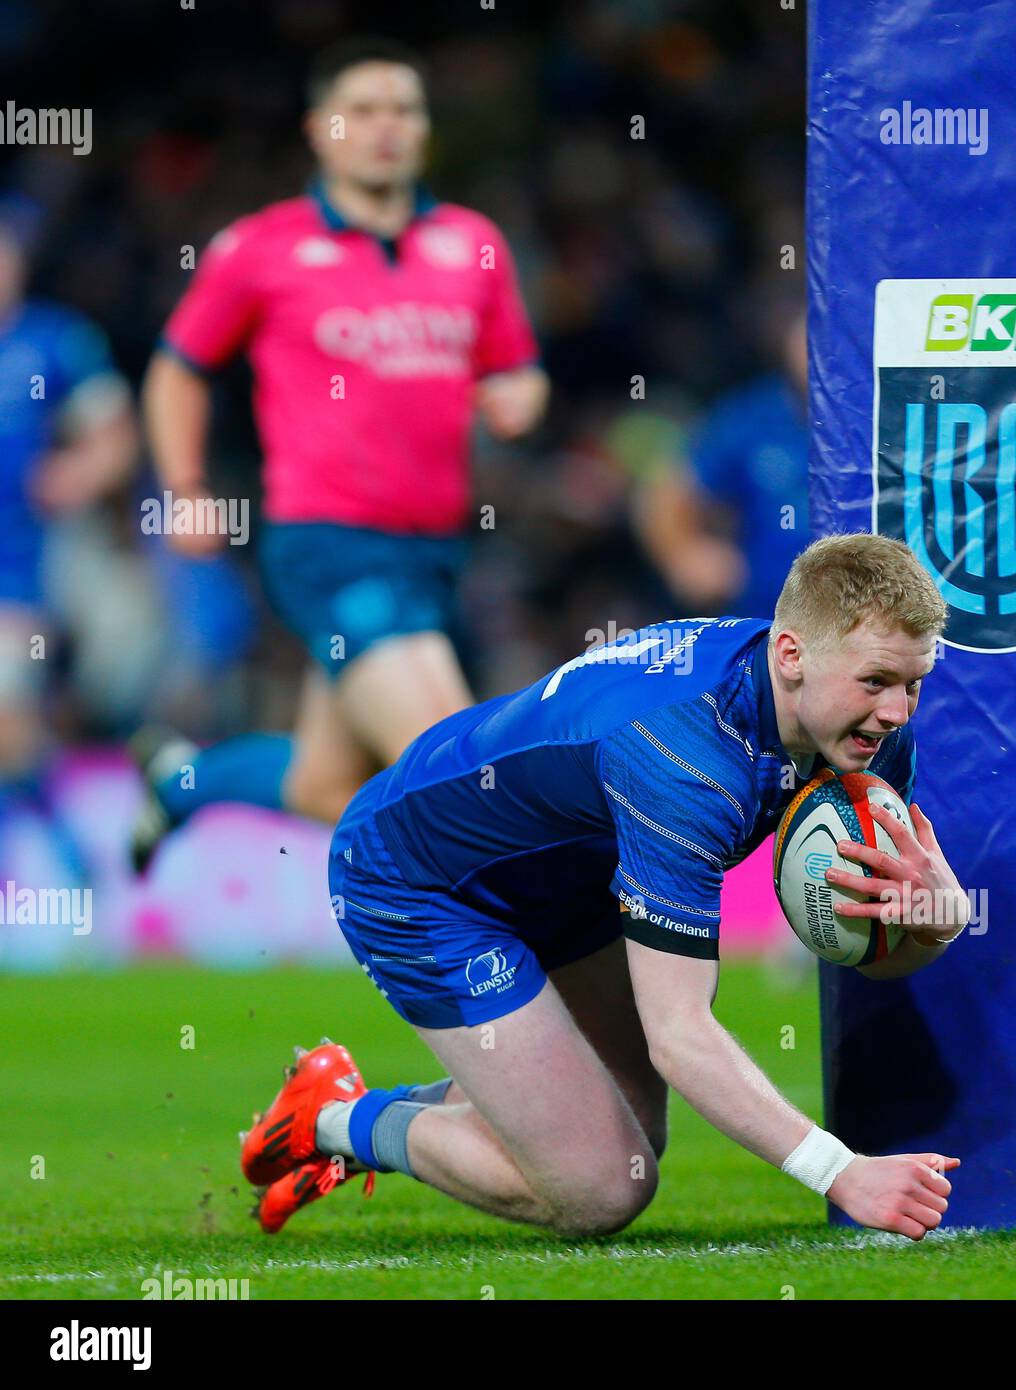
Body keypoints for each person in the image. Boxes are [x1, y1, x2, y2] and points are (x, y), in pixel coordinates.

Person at [239, 533, 967, 1240]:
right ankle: (332, 1118)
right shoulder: (685, 760)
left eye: (913, 683)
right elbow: (679, 1037)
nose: (898, 712)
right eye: (876, 682)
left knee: (631, 1134)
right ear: (789, 654)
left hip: (566, 878)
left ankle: (424, 1112)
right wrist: (840, 1172)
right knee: (603, 1187)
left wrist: (938, 920)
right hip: (418, 876)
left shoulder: (853, 717)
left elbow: (873, 951)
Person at [130, 35, 547, 871]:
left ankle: (182, 780)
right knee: (457, 760)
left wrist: (518, 397)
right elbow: (177, 372)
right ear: (321, 128)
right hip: (328, 543)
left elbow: (518, 368)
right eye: (364, 110)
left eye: (404, 109)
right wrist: (185, 487)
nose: (386, 127)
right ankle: (505, 987)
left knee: (327, 785)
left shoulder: (472, 243)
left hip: (436, 549)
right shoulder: (262, 248)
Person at [0, 217, 136, 827]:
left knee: (8, 715)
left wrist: (76, 472)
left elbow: (115, 439)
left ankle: (68, 859)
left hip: (26, 563)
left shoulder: (55, 340)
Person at [634, 306, 809, 618]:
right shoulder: (754, 416)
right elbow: (667, 491)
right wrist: (685, 555)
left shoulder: (881, 415)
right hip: (766, 617)